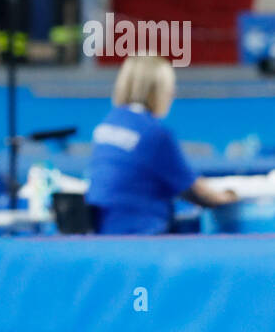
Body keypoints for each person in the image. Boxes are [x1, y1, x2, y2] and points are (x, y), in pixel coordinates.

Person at [86, 53, 237, 234]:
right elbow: (198, 194)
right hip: (141, 236)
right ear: (158, 90)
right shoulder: (153, 133)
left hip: (103, 232)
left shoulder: (108, 123)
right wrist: (231, 195)